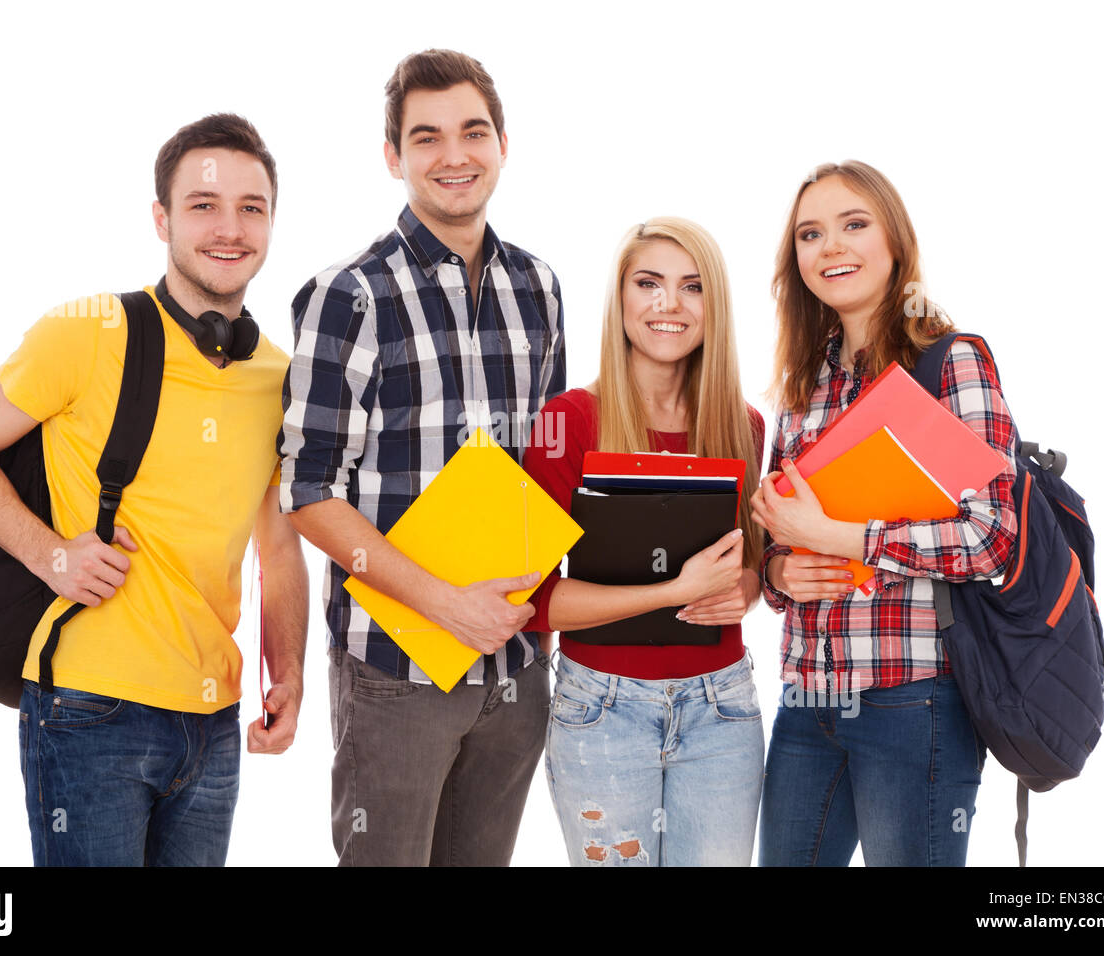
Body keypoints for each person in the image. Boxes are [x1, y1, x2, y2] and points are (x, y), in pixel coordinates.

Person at [0, 114, 309, 866]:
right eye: (203, 205)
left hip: (214, 718)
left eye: (251, 207)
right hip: (88, 708)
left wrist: (286, 669)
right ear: (162, 219)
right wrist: (50, 555)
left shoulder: (279, 378)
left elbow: (281, 544)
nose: (230, 228)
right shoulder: (87, 333)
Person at [277, 49, 565, 866]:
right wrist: (444, 604)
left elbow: (545, 469)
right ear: (393, 156)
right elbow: (308, 491)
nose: (453, 155)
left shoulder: (538, 287)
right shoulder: (350, 295)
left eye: (472, 132)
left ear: (503, 144)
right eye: (426, 137)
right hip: (395, 670)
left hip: (515, 664)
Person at [749, 160, 1017, 866]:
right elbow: (776, 545)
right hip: (807, 700)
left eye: (854, 224)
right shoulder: (803, 384)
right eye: (810, 234)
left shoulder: (951, 362)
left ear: (894, 240)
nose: (831, 246)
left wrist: (844, 538)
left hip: (913, 702)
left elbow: (991, 537)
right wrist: (779, 572)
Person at [521, 217, 766, 866]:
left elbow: (751, 568)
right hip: (603, 709)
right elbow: (534, 600)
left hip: (722, 707)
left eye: (692, 286)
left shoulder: (744, 425)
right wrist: (672, 592)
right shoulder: (568, 422)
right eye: (648, 283)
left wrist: (744, 589)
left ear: (714, 305)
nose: (669, 304)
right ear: (621, 298)